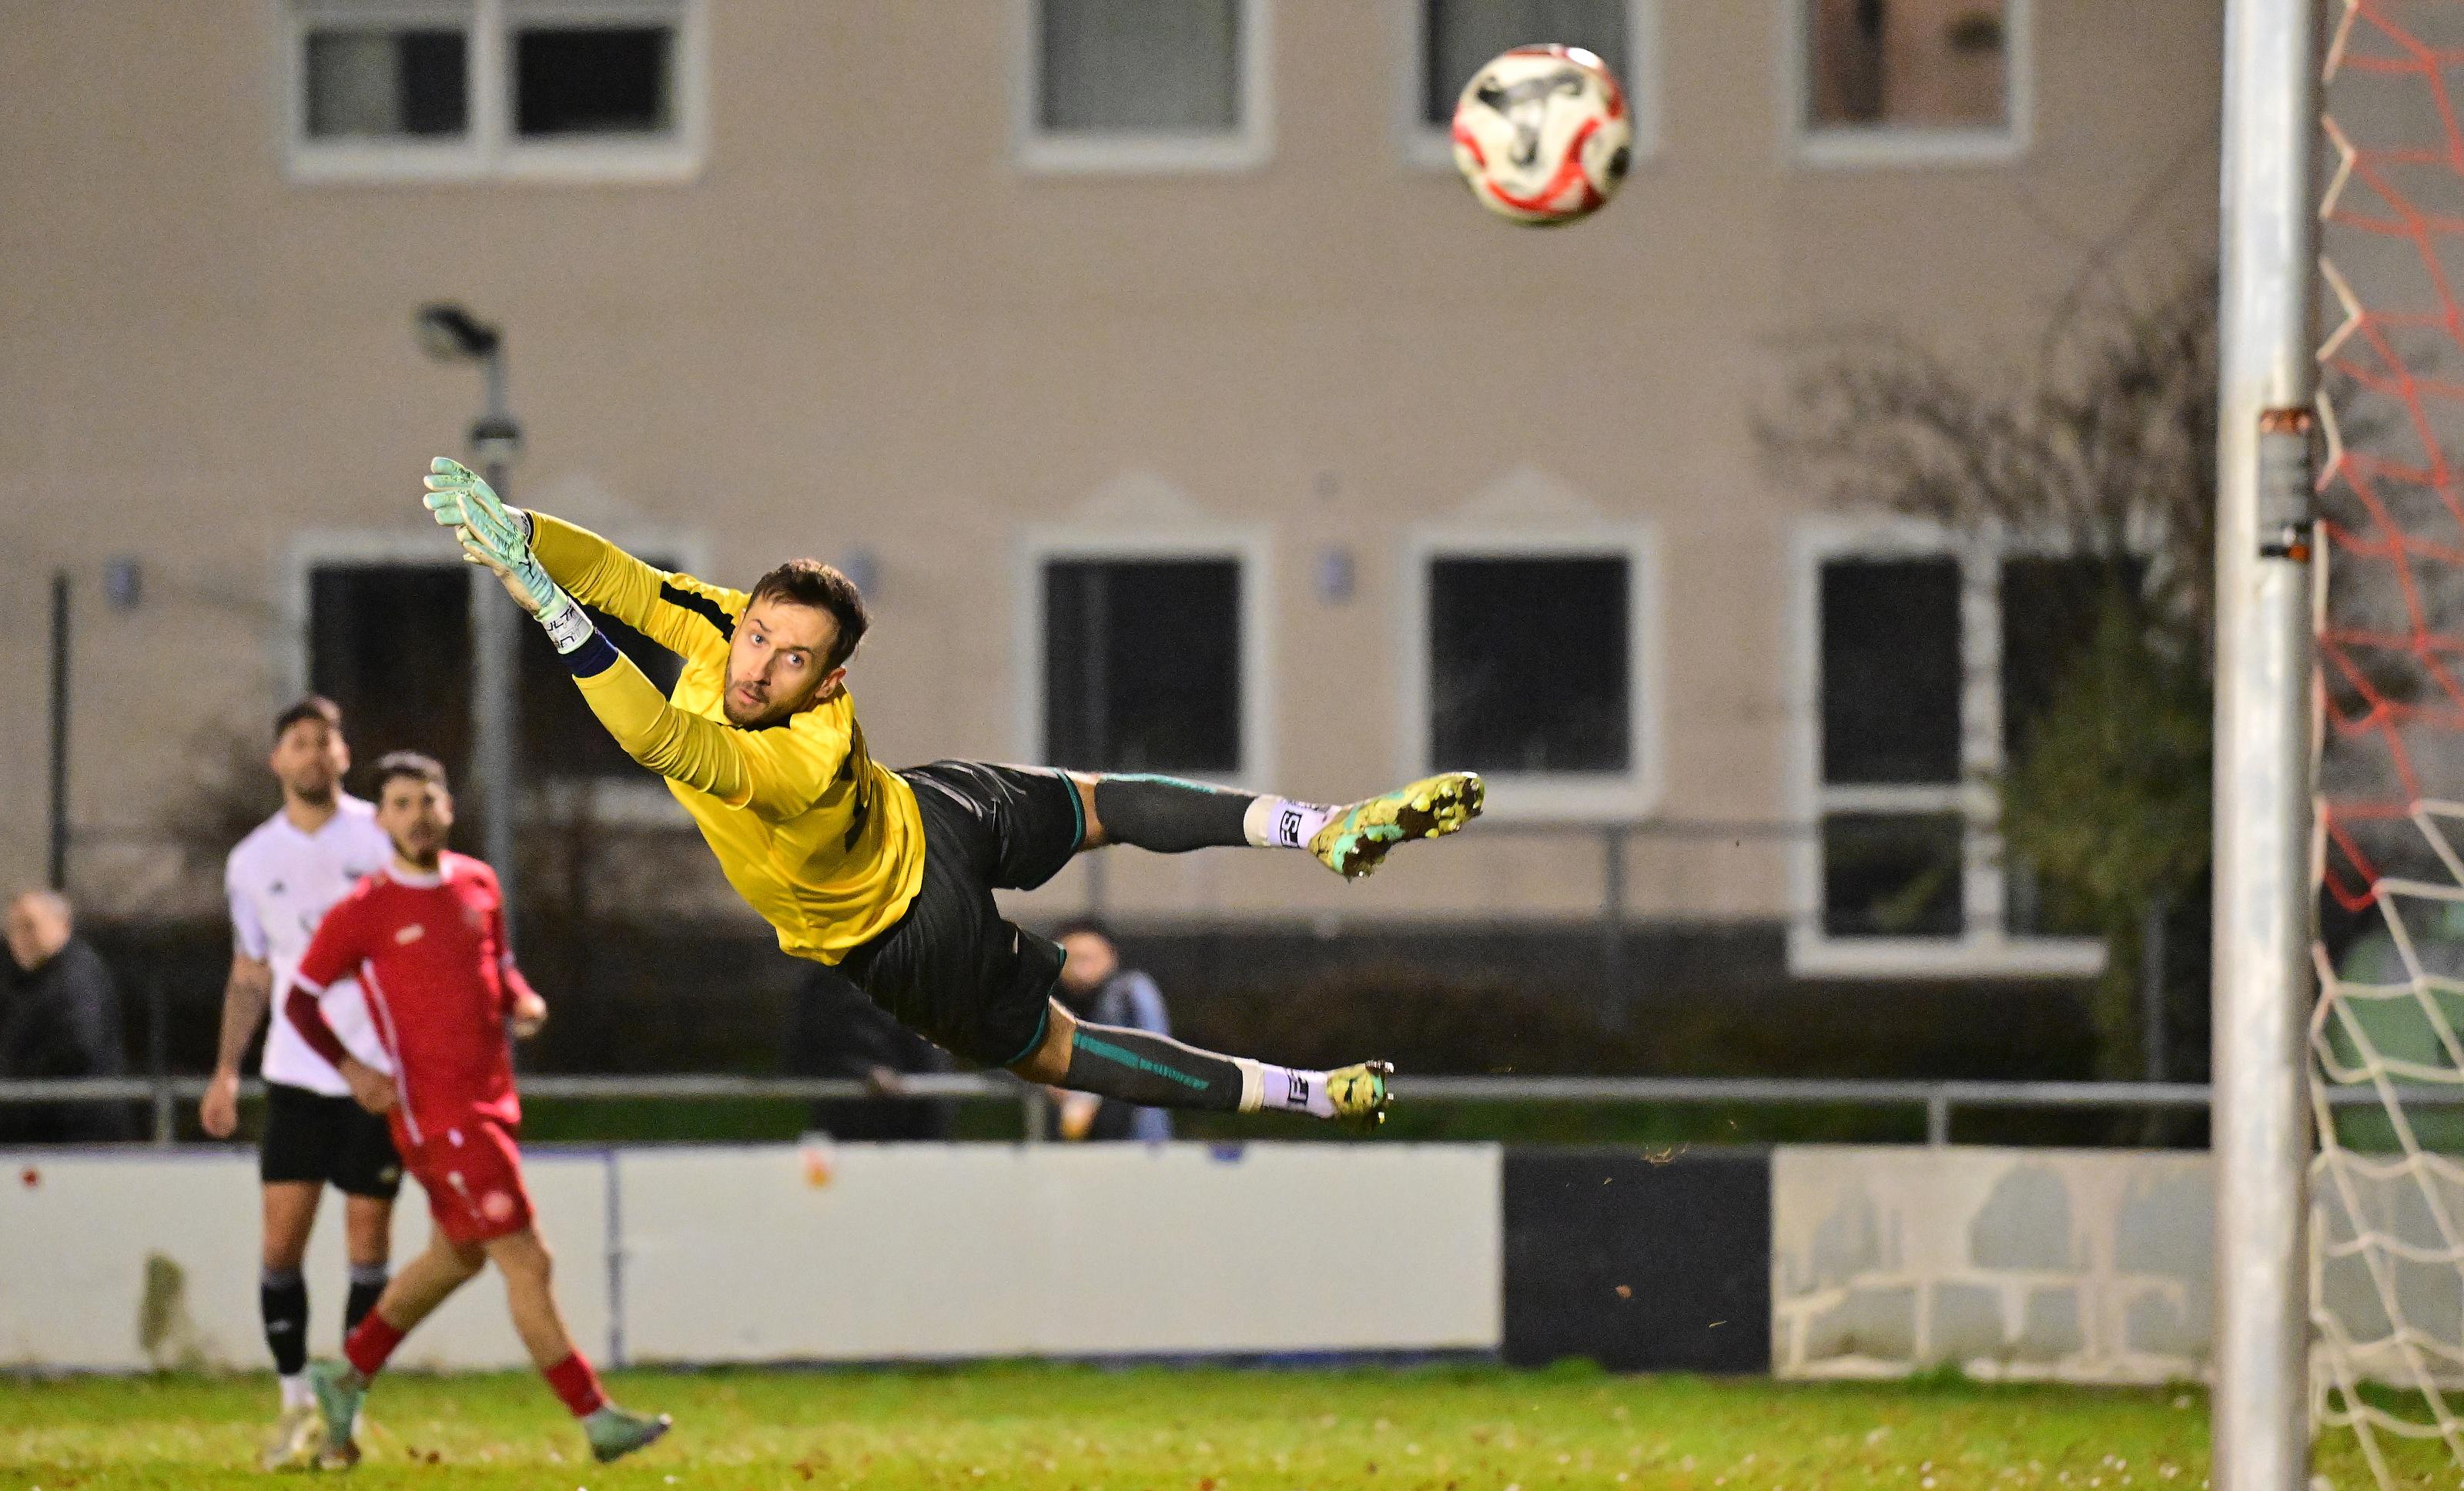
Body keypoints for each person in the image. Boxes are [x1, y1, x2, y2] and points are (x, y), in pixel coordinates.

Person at [424, 458, 1481, 1131]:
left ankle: (1303, 1080)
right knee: (1098, 801)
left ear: (830, 683)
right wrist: (519, 528)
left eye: (792, 662)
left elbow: (662, 739)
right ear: (741, 614)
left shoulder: (801, 756)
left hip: (902, 938)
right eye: (756, 637)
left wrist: (543, 606)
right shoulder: (722, 625)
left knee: (1060, 1052)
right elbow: (618, 578)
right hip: (929, 809)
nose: (757, 667)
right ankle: (1322, 831)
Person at [282, 752, 668, 1468]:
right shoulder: (364, 911)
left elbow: (496, 965)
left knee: (454, 1257)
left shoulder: (478, 883)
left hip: (489, 1103)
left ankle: (345, 1377)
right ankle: (595, 1417)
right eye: (400, 803)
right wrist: (352, 1068)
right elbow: (299, 1000)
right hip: (438, 1117)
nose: (417, 814)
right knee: (529, 1259)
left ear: (448, 808)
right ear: (383, 819)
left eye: (428, 800)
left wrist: (519, 999)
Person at [196, 695, 402, 1469]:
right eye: (300, 743)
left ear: (343, 755)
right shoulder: (252, 860)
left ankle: (346, 1405)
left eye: (327, 741)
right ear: (276, 761)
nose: (315, 753)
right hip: (294, 1072)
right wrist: (224, 1069)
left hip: (375, 1076)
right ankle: (295, 1402)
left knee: (368, 1242)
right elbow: (250, 972)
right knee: (282, 1245)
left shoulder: (379, 836)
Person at [0, 890, 133, 1143]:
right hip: (49, 1134)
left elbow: (78, 1047)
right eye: (13, 928)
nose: (18, 937)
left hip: (78, 1139)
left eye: (29, 926)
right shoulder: (33, 979)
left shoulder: (77, 978)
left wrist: (15, 1084)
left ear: (62, 924)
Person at [785, 962, 952, 1141]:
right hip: (850, 1128)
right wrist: (863, 1072)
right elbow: (804, 1053)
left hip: (916, 1128)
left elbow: (930, 1054)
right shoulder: (826, 985)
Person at [1050, 920, 1173, 1143]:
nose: (1080, 968)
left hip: (1135, 1133)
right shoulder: (1050, 1001)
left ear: (1111, 957)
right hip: (1076, 1140)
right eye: (1072, 959)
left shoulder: (1131, 992)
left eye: (1089, 958)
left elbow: (1157, 1054)